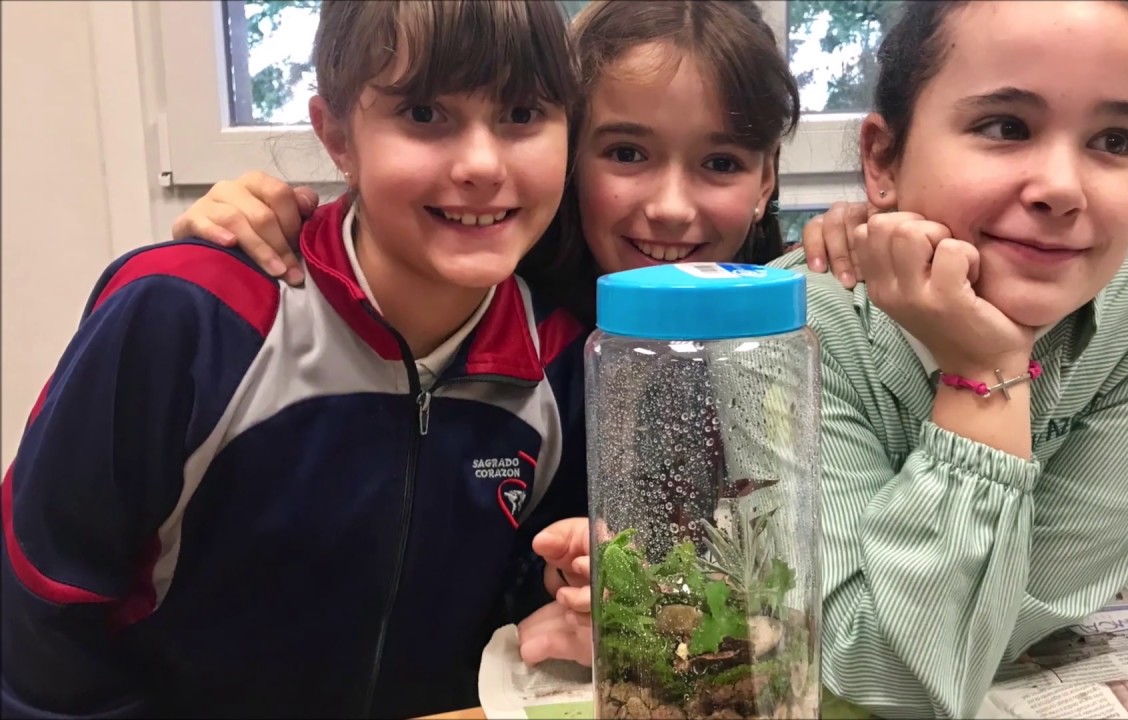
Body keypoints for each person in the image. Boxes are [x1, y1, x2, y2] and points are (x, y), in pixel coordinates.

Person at [166, 0, 802, 672]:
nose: (672, 206)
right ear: (570, 154)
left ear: (767, 179)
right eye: (626, 152)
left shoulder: (795, 329)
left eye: (723, 162)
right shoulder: (542, 329)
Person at [0, 2, 588, 717]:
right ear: (338, 136)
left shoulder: (563, 363)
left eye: (522, 114)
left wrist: (566, 598)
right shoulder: (188, 316)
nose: (481, 165)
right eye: (425, 114)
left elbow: (519, 613)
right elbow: (41, 609)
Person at [765, 1, 1128, 717]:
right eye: (1006, 127)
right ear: (883, 159)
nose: (1063, 188)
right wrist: (985, 376)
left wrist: (988, 363)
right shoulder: (790, 324)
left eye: (1113, 140)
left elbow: (930, 651)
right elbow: (878, 666)